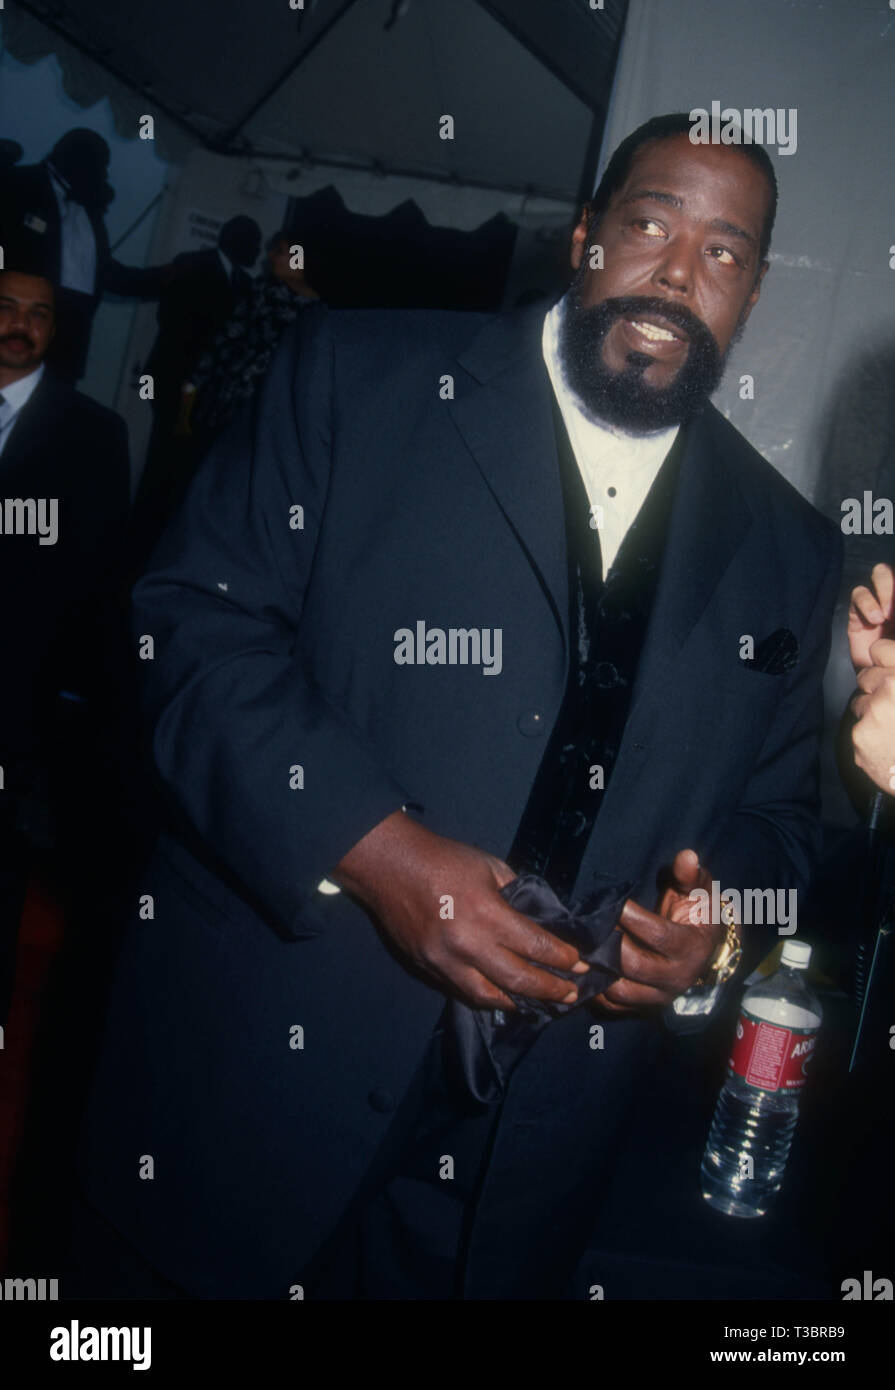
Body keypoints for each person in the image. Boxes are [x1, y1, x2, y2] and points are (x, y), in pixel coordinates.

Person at [71, 113, 842, 1300]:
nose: (679, 274)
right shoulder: (358, 375)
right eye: (648, 223)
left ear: (753, 292)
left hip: (522, 1185)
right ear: (584, 236)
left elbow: (780, 816)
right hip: (251, 1095)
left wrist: (716, 931)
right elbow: (192, 628)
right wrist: (378, 851)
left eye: (726, 252)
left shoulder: (789, 544)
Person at [0, 269, 129, 1027]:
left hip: (16, 689)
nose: (22, 324)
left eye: (39, 314)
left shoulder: (91, 431)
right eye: (8, 308)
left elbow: (94, 569)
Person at [129, 216, 262, 564]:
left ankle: (162, 539)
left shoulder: (246, 285)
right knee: (163, 460)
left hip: (206, 395)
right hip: (175, 380)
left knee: (183, 465)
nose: (258, 250)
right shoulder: (193, 266)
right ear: (235, 240)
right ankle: (139, 541)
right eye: (254, 241)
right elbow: (172, 321)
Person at [0, 129, 166, 381]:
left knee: (49, 416)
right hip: (19, 329)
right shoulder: (18, 184)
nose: (106, 175)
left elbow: (107, 274)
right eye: (102, 166)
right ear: (78, 160)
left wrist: (163, 279)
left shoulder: (90, 212)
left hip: (69, 342)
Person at [185, 228, 321, 448]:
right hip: (229, 404)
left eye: (280, 251)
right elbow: (226, 340)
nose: (270, 256)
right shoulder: (264, 290)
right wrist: (193, 387)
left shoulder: (320, 315)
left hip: (271, 416)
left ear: (300, 258)